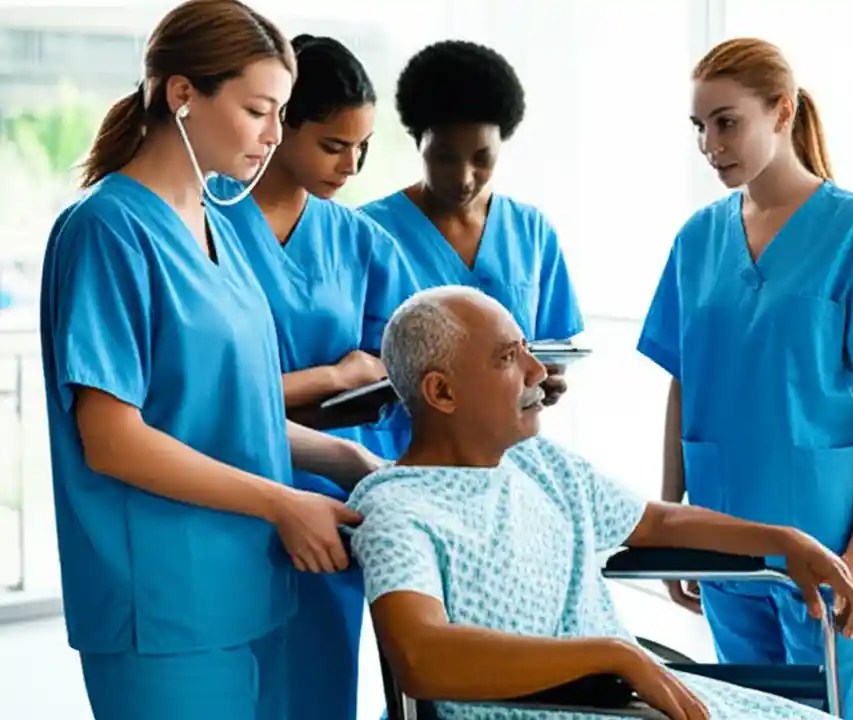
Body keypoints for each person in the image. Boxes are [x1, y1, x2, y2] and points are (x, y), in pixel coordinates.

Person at [38, 3, 381, 718]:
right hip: (164, 607)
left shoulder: (215, 228)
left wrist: (350, 463)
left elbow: (225, 416)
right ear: (183, 94)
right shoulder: (108, 230)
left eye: (281, 112)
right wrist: (281, 501)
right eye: (258, 110)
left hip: (250, 589)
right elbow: (112, 439)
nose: (274, 134)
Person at [347, 286, 853, 720]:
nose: (537, 370)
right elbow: (421, 655)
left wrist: (782, 541)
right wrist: (612, 656)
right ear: (442, 392)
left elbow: (656, 522)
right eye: (507, 358)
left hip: (629, 698)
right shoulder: (399, 511)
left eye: (527, 349)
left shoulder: (540, 464)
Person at [636, 38, 853, 720]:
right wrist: (669, 522)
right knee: (746, 711)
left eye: (727, 122)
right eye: (699, 127)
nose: (711, 145)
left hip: (830, 543)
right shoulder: (696, 239)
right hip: (724, 536)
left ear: (782, 111)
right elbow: (683, 382)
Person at [210, 34, 419, 720]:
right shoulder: (197, 219)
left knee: (320, 690)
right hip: (222, 486)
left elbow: (400, 371)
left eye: (363, 148)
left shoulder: (361, 241)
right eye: (333, 145)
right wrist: (330, 375)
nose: (350, 166)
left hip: (330, 500)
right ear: (281, 122)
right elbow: (194, 391)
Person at [358, 39, 582, 460]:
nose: (464, 177)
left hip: (510, 464)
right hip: (400, 460)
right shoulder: (366, 234)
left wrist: (546, 379)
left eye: (482, 158)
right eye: (445, 158)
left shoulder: (531, 232)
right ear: (417, 141)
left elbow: (553, 345)